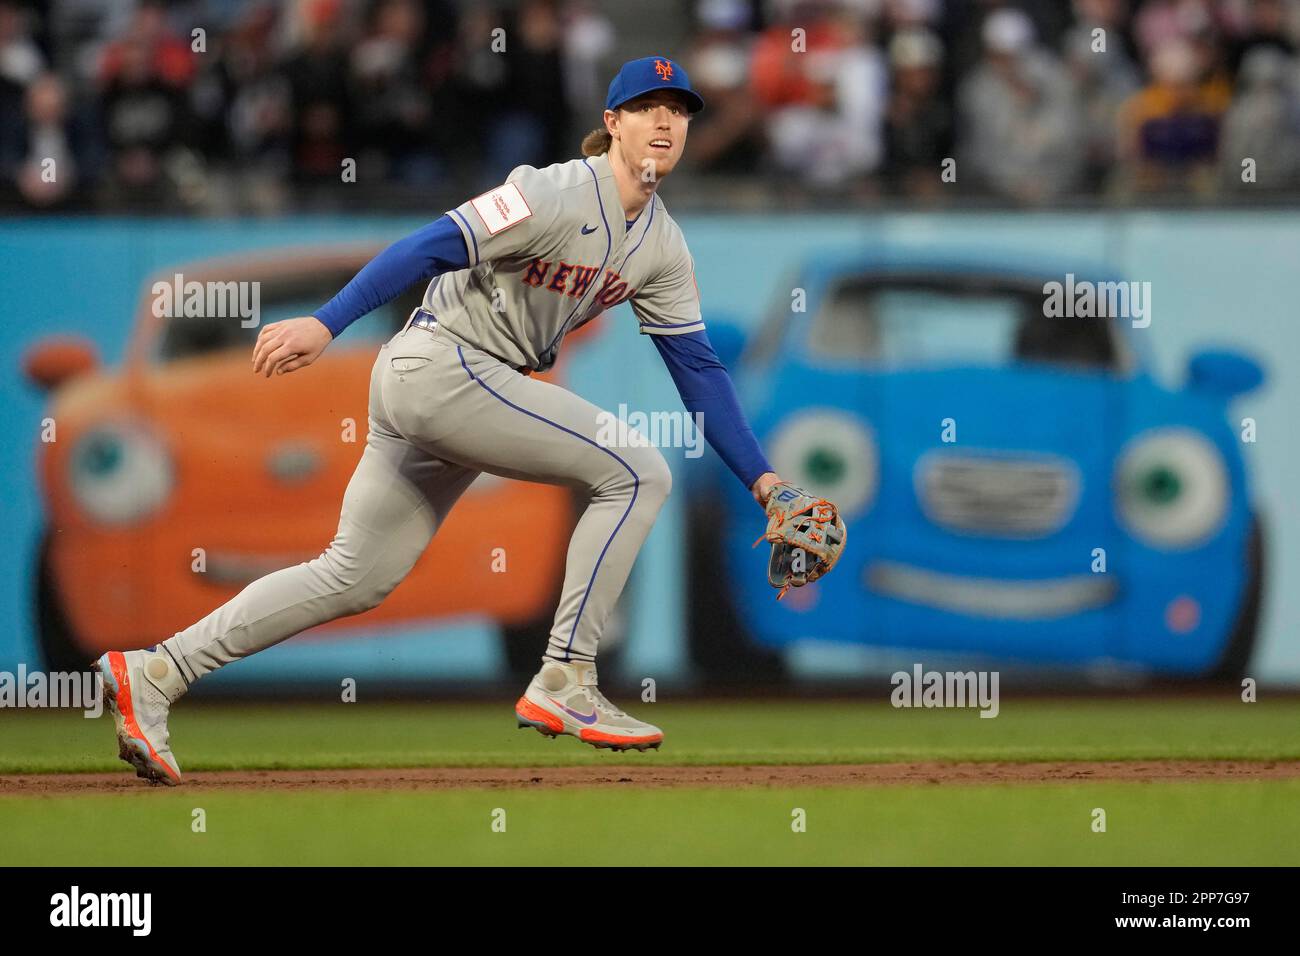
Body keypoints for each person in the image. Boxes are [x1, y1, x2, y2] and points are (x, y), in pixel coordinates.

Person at [95, 55, 783, 785]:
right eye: (649, 106)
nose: (667, 121)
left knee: (354, 574)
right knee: (637, 470)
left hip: (462, 387)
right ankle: (567, 677)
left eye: (679, 110)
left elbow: (701, 373)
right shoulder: (547, 193)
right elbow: (424, 245)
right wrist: (327, 325)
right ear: (611, 124)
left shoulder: (663, 249)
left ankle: (158, 670)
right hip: (438, 366)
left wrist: (768, 484)